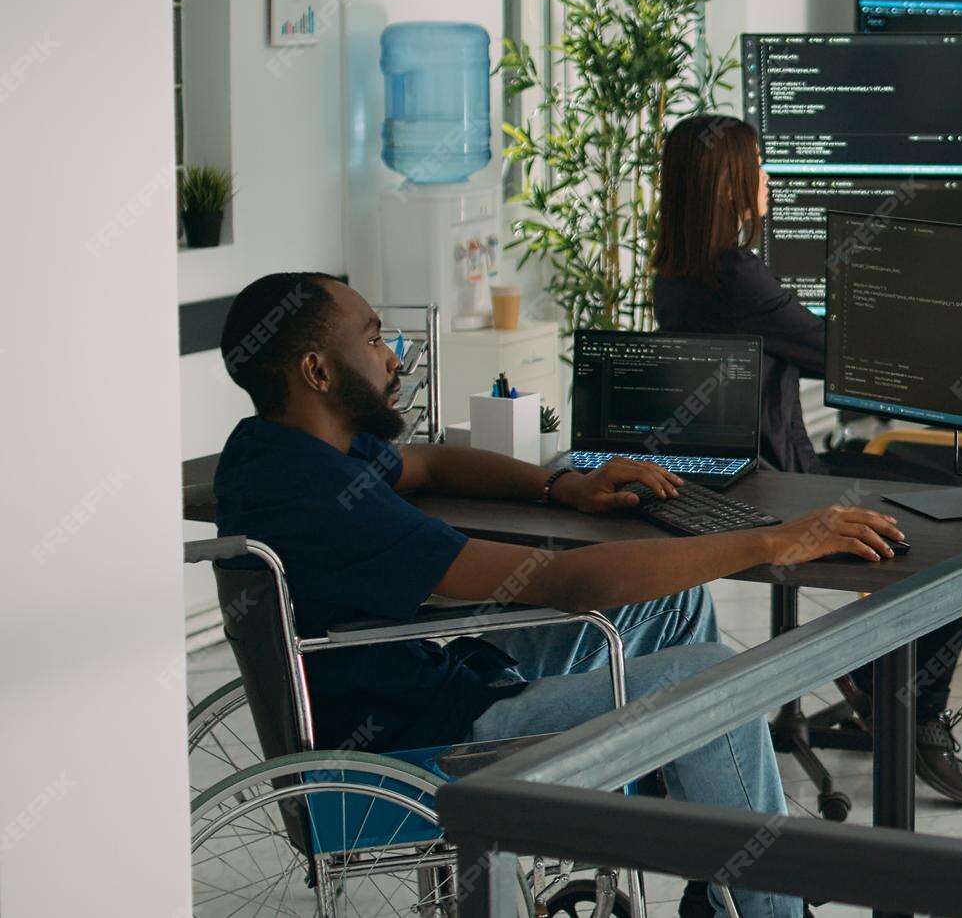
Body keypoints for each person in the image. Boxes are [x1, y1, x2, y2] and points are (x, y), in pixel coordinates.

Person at [212, 271, 905, 918]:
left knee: (667, 605)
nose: (393, 355)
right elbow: (565, 582)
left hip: (425, 697)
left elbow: (422, 460)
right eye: (370, 337)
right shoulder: (334, 500)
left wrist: (558, 483)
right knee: (708, 681)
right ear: (316, 370)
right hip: (430, 753)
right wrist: (771, 541)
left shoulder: (271, 449)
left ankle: (716, 887)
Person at [650, 113, 962, 807]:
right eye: (759, 169)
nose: (769, 181)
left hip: (737, 475)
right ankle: (916, 711)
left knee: (935, 491)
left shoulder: (676, 274)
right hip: (783, 484)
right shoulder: (737, 275)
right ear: (730, 187)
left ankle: (874, 675)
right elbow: (839, 355)